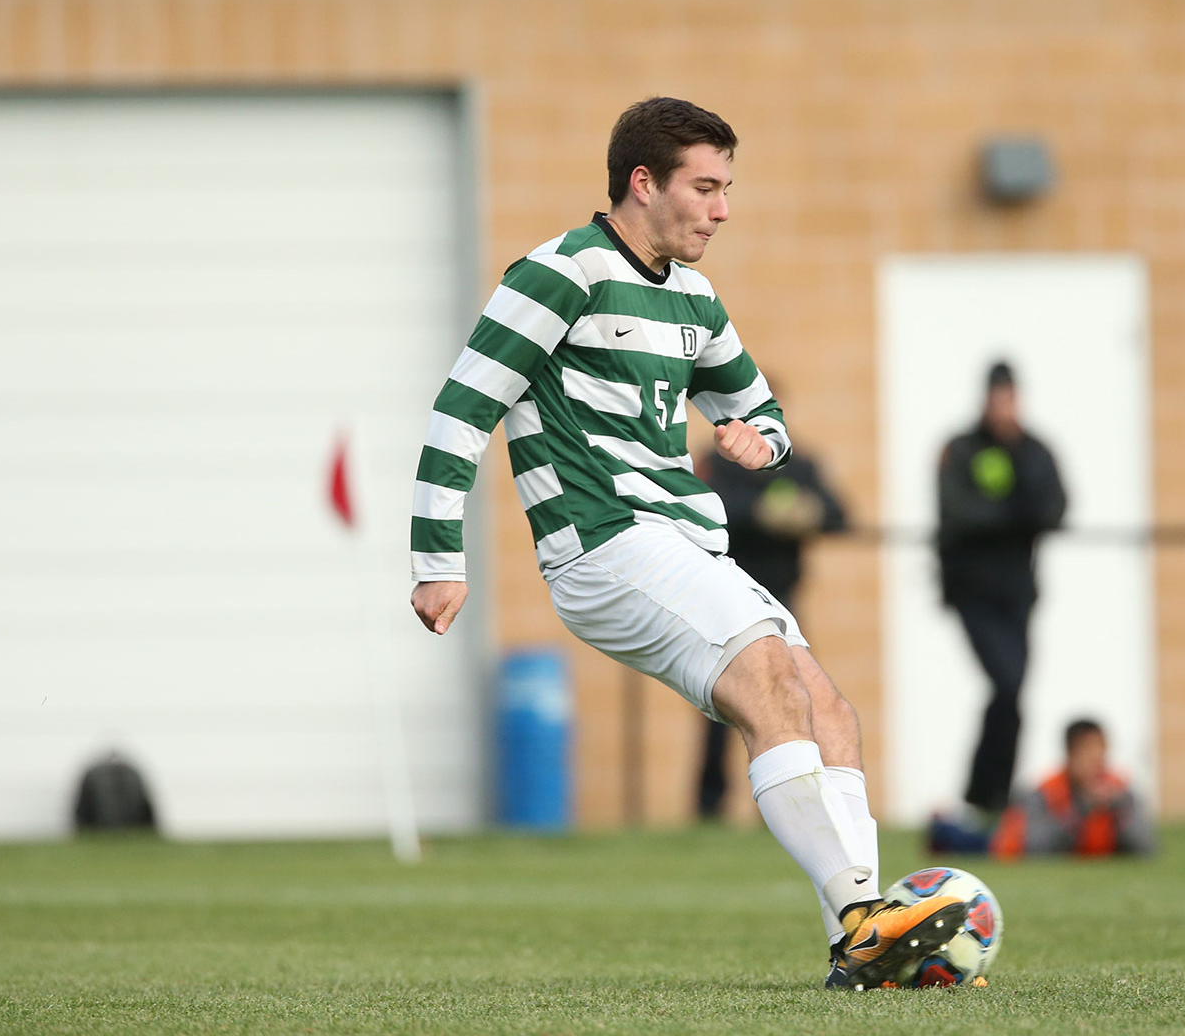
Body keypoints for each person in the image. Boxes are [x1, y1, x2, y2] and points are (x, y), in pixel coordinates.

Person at [407, 97, 961, 990]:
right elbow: (458, 413)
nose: (721, 208)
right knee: (773, 684)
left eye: (726, 188)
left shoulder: (696, 296)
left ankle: (864, 946)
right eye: (705, 187)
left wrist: (759, 441)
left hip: (687, 547)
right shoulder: (559, 273)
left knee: (830, 713)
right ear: (643, 182)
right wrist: (437, 562)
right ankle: (866, 913)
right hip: (605, 543)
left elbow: (761, 412)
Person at [937, 362, 1068, 819]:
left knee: (1012, 693)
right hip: (972, 591)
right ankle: (984, 791)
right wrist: (1014, 515)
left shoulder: (1032, 451)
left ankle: (992, 794)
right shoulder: (961, 449)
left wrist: (1006, 512)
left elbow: (1055, 508)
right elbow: (959, 512)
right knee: (1006, 683)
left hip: (1017, 593)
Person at [695, 441, 849, 819]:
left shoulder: (795, 463)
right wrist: (763, 513)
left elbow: (837, 514)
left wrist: (807, 511)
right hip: (727, 601)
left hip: (781, 605)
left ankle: (788, 805)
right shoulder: (717, 463)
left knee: (790, 701)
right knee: (720, 705)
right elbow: (708, 510)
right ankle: (709, 804)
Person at [927, 718, 1156, 858]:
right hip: (1002, 847)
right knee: (959, 839)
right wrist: (1083, 810)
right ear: (1070, 755)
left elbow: (1144, 849)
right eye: (1087, 754)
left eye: (1100, 753)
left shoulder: (1122, 794)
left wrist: (1118, 813)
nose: (1096, 762)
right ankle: (943, 824)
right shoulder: (1044, 793)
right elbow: (1034, 849)